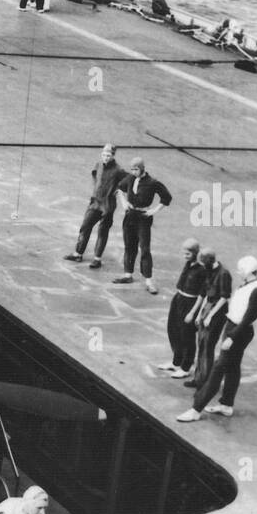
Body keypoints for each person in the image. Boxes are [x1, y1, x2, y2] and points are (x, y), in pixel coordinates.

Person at [179, 256, 257, 422]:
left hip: (238, 332)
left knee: (218, 368)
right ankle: (226, 404)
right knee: (232, 368)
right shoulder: (248, 285)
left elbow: (248, 318)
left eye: (241, 269)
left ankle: (196, 409)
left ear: (247, 271)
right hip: (233, 327)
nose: (238, 272)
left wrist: (232, 338)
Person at [112, 157, 172, 294]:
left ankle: (149, 280)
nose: (133, 172)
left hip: (143, 217)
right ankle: (128, 274)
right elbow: (119, 188)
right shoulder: (130, 178)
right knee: (129, 245)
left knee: (144, 248)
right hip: (130, 215)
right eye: (132, 169)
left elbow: (167, 197)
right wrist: (123, 202)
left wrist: (153, 211)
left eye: (136, 169)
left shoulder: (152, 182)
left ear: (142, 169)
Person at [64, 144, 128, 268]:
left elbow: (127, 182)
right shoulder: (98, 165)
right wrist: (96, 190)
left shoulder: (119, 170)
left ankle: (97, 259)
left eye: (108, 155)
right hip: (95, 202)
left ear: (113, 156)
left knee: (102, 231)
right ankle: (78, 253)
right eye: (104, 155)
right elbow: (94, 175)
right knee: (85, 226)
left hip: (108, 205)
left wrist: (118, 191)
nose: (106, 157)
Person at [157, 239, 207, 379]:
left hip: (190, 302)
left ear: (195, 253)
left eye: (188, 253)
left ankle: (186, 367)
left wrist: (193, 312)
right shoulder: (188, 264)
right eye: (184, 253)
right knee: (174, 331)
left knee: (187, 336)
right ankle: (176, 362)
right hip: (179, 298)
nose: (185, 256)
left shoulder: (202, 270)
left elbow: (202, 294)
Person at [184, 247, 233, 389]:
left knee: (208, 347)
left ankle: (205, 381)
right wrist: (200, 314)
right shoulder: (209, 270)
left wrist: (210, 316)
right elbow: (206, 294)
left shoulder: (223, 274)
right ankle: (199, 378)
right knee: (202, 344)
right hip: (208, 308)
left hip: (218, 311)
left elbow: (224, 297)